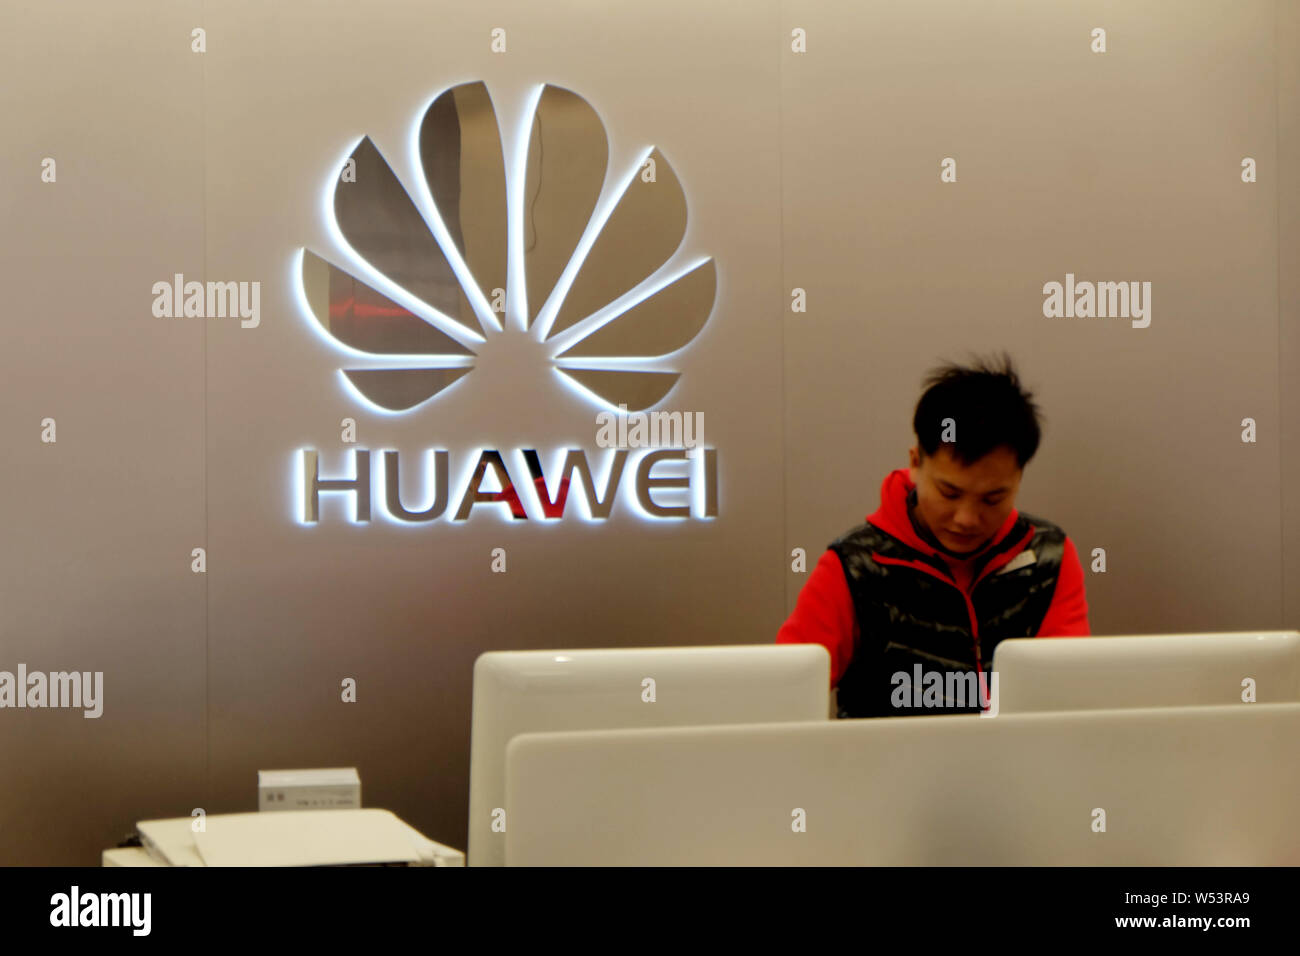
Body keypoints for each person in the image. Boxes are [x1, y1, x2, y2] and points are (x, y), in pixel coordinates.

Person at [777, 352, 1090, 718]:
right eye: (949, 493)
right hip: (882, 770)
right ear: (914, 463)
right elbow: (783, 697)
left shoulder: (1049, 557)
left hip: (1016, 769)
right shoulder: (854, 567)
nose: (967, 519)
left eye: (993, 498)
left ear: (1019, 477)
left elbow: (1067, 697)